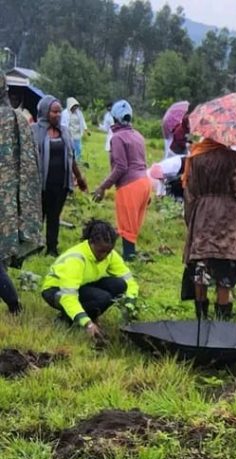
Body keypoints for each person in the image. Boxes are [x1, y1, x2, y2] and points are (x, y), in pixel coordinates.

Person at [181, 137, 236, 320]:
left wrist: (191, 221)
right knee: (224, 269)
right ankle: (222, 320)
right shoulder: (235, 158)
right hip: (227, 220)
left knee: (201, 266)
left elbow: (190, 192)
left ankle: (201, 318)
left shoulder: (196, 159)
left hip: (203, 217)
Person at [41, 219, 137, 341]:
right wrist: (87, 323)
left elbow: (129, 282)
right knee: (102, 298)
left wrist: (129, 307)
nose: (104, 256)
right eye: (101, 252)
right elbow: (68, 296)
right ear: (91, 242)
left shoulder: (109, 254)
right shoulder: (76, 259)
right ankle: (65, 319)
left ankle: (88, 316)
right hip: (56, 291)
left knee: (119, 285)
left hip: (81, 286)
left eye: (108, 252)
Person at [0, 75, 44, 313]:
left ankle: (15, 305)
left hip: (7, 198)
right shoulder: (18, 118)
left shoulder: (15, 119)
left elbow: (27, 162)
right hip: (10, 200)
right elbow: (29, 164)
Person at [92, 100, 150, 261]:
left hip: (130, 185)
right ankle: (129, 254)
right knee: (134, 222)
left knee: (126, 224)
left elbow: (121, 167)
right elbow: (142, 162)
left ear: (115, 119)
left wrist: (103, 187)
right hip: (144, 182)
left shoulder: (117, 138)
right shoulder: (138, 135)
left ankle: (129, 257)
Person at [32, 95, 88, 256]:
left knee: (54, 217)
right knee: (38, 217)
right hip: (40, 184)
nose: (57, 115)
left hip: (60, 184)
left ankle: (52, 249)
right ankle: (34, 248)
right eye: (53, 112)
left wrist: (79, 178)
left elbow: (72, 157)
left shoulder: (64, 131)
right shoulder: (35, 131)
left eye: (59, 112)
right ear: (44, 112)